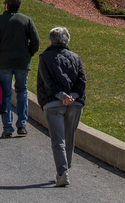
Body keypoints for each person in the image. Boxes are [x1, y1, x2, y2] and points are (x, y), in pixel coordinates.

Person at [0, 0, 41, 139]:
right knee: (22, 92)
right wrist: (29, 54)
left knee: (6, 95)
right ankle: (22, 125)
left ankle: (8, 127)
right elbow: (36, 41)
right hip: (22, 62)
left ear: (6, 5)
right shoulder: (27, 21)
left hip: (5, 63)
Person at [37, 26, 87, 188]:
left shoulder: (45, 57)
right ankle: (67, 167)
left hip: (53, 103)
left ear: (51, 40)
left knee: (58, 139)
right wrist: (73, 96)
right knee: (69, 137)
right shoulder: (76, 57)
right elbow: (82, 81)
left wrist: (61, 96)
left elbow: (47, 82)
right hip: (75, 103)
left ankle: (62, 172)